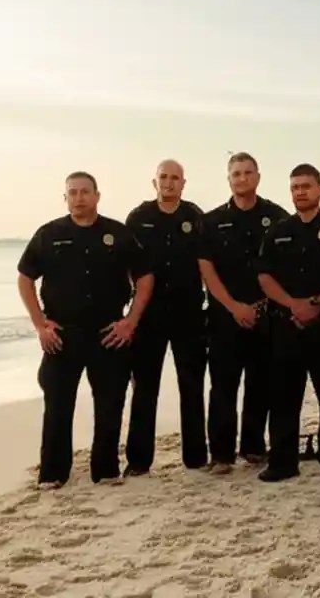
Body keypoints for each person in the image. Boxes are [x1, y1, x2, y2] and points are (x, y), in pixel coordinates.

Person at [15, 171, 152, 489]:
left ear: (97, 196)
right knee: (58, 406)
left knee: (110, 404)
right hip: (62, 334)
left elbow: (145, 277)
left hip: (109, 333)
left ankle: (105, 470)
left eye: (85, 192)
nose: (79, 198)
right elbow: (25, 278)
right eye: (73, 193)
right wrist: (39, 324)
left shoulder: (118, 234)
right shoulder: (49, 234)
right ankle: (53, 473)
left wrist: (130, 321)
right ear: (65, 198)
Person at [254, 164, 320, 483]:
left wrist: (317, 303)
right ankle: (283, 462)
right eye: (295, 187)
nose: (300, 192)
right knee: (283, 398)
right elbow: (264, 276)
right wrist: (293, 304)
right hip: (286, 326)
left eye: (306, 186)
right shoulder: (277, 232)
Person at [199, 152, 290, 474]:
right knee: (223, 386)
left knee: (259, 384)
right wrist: (233, 306)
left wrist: (262, 304)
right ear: (229, 179)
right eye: (236, 173)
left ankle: (253, 447)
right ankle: (221, 454)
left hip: (265, 314)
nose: (242, 178)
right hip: (224, 315)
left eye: (247, 172)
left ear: (258, 177)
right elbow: (206, 269)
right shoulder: (211, 221)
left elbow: (284, 265)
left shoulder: (277, 217)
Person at [122, 159, 209, 475]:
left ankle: (196, 458)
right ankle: (138, 461)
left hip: (189, 313)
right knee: (144, 389)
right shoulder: (138, 218)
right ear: (154, 182)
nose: (169, 183)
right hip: (149, 314)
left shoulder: (195, 217)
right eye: (163, 177)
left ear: (183, 184)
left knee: (192, 386)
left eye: (175, 178)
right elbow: (127, 265)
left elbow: (207, 264)